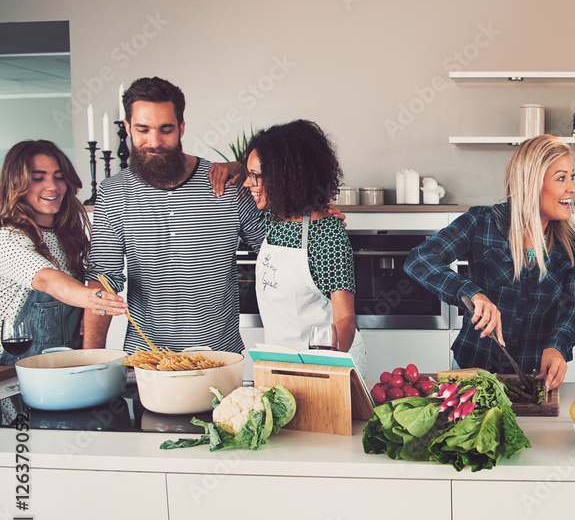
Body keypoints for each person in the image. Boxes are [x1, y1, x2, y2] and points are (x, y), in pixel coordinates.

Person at [83, 77, 266, 353]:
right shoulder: (113, 192)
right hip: (145, 361)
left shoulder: (226, 184)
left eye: (165, 130)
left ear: (181, 128)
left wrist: (315, 216)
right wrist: (91, 363)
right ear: (127, 128)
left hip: (219, 358)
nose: (154, 141)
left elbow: (276, 247)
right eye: (143, 129)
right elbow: (103, 282)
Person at [404, 134, 575, 390]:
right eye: (561, 178)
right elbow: (420, 259)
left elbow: (574, 304)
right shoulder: (482, 222)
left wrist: (557, 346)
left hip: (537, 378)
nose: (573, 188)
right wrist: (473, 294)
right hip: (475, 370)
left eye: (572, 176)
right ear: (532, 183)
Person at [241, 120, 365, 376]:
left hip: (324, 368)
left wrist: (320, 371)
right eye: (247, 173)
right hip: (280, 365)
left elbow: (345, 320)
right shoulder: (273, 217)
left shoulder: (326, 233)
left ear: (283, 177)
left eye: (255, 176)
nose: (247, 183)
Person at [0, 141, 126, 363]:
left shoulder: (68, 237)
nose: (52, 186)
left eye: (58, 177)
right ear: (16, 184)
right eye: (38, 178)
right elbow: (47, 279)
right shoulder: (8, 238)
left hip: (66, 367)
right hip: (16, 370)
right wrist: (95, 299)